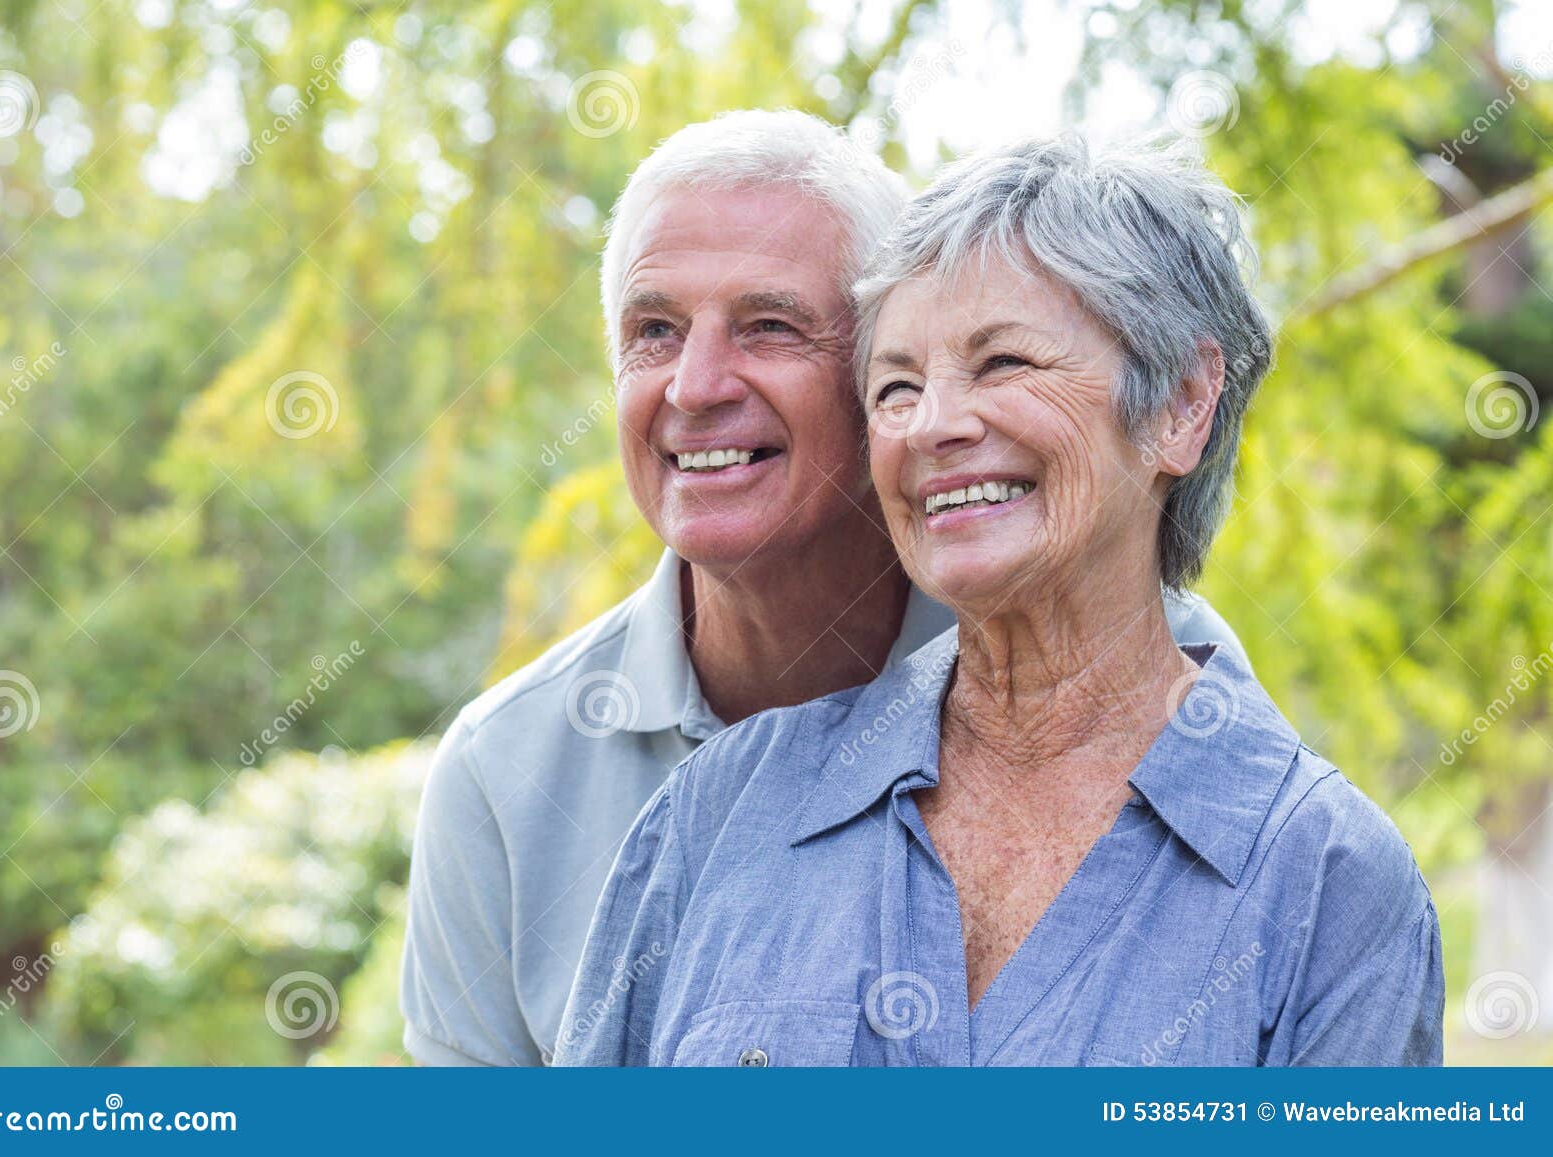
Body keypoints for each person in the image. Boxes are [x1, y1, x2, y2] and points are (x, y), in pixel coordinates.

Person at [553, 135, 1443, 1067]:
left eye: (1003, 362)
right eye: (896, 387)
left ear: (1181, 404)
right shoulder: (722, 810)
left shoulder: (1328, 882)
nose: (933, 424)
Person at [400, 113, 1245, 1066]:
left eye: (769, 325)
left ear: (883, 379)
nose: (694, 385)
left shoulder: (1158, 675)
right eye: (653, 332)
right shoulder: (502, 773)